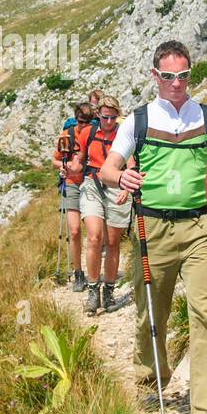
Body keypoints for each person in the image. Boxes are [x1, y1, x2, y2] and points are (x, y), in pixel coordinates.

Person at [101, 40, 207, 414]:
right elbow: (107, 169)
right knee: (150, 312)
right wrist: (121, 177)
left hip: (199, 229)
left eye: (184, 75)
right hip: (151, 229)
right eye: (169, 76)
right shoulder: (137, 121)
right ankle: (148, 379)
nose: (177, 83)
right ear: (155, 76)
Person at [74, 95, 130, 315]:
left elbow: (131, 164)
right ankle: (92, 289)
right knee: (95, 237)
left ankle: (108, 292)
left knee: (114, 242)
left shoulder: (123, 133)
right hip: (92, 184)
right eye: (105, 117)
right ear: (98, 115)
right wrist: (71, 167)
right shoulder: (88, 133)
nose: (109, 122)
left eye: (113, 118)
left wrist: (126, 188)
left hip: (117, 185)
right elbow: (80, 160)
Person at [53, 102, 96, 291]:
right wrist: (61, 167)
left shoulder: (95, 134)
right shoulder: (67, 135)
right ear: (75, 119)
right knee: (75, 230)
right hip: (71, 184)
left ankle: (94, 272)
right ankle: (78, 272)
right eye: (80, 122)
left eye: (87, 122)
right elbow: (55, 159)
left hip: (90, 182)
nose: (83, 126)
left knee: (94, 232)